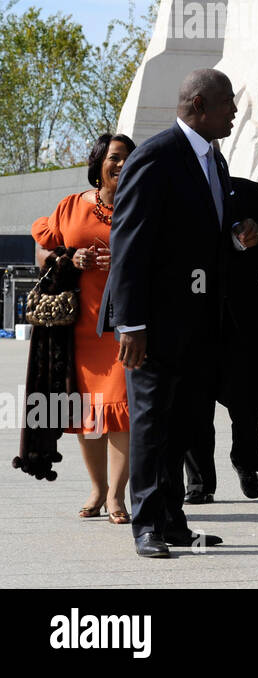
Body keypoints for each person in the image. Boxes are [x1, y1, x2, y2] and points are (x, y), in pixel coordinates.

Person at [98, 68, 258, 558]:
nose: (234, 110)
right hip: (153, 326)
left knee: (184, 424)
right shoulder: (155, 157)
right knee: (150, 424)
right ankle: (146, 524)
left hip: (199, 323)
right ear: (198, 103)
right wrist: (131, 323)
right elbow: (129, 242)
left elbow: (201, 235)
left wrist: (236, 237)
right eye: (227, 101)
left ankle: (172, 521)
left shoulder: (214, 157)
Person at [31, 133, 137, 524]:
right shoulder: (72, 207)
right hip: (78, 325)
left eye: (127, 157)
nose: (120, 164)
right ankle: (96, 488)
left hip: (124, 324)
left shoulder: (142, 207)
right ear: (98, 164)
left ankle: (116, 495)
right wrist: (67, 258)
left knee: (121, 411)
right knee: (88, 413)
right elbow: (42, 248)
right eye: (113, 157)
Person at [182, 176, 258, 502]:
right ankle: (200, 484)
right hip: (194, 314)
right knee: (195, 402)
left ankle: (243, 454)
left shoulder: (250, 193)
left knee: (248, 398)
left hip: (244, 317)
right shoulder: (178, 188)